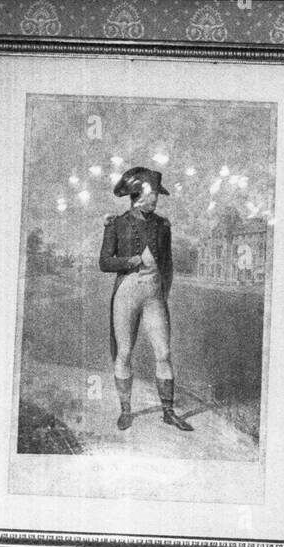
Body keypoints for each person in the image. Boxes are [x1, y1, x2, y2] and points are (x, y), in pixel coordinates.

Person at [98, 166, 193, 433]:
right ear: (136, 194)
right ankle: (126, 411)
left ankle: (168, 412)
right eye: (151, 195)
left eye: (156, 196)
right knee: (125, 352)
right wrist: (128, 261)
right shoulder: (115, 224)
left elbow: (168, 263)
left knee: (163, 353)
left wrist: (163, 293)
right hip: (126, 292)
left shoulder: (163, 225)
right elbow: (104, 262)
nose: (154, 200)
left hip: (154, 295)